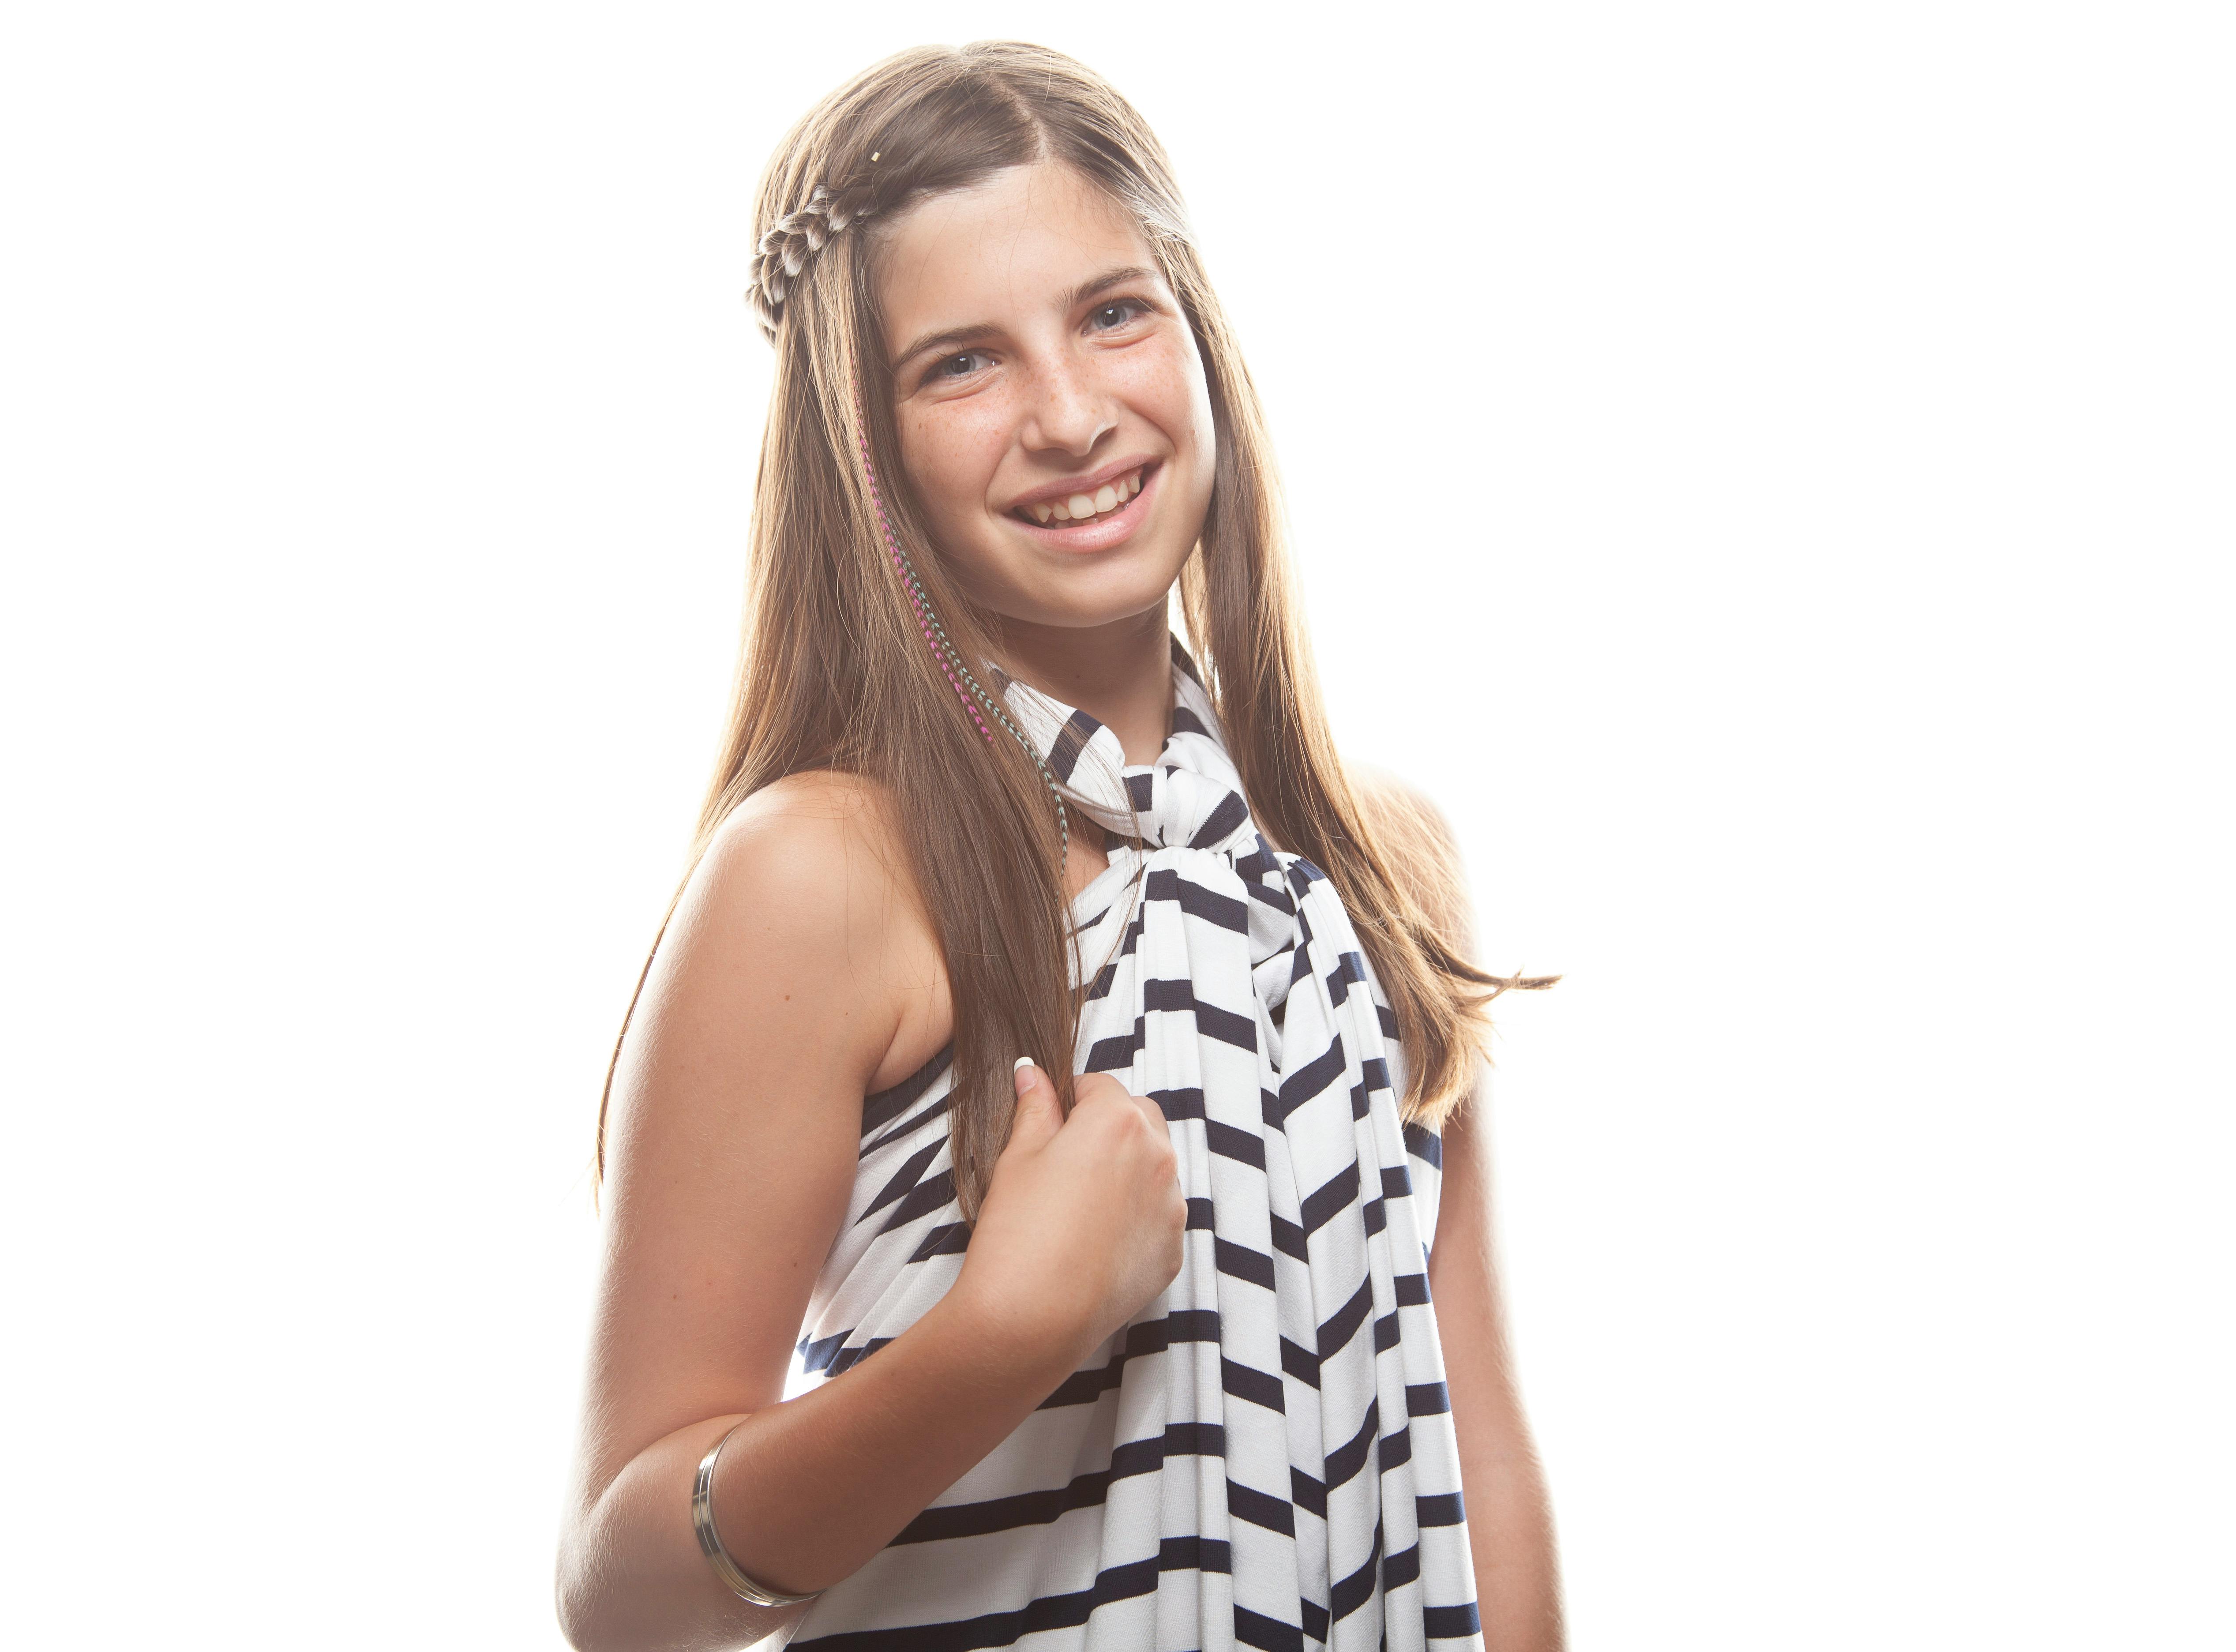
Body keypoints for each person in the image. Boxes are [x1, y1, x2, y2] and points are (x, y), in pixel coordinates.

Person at [556, 41, 1563, 1652]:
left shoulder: (1375, 863)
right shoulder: (826, 872)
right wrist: (999, 1335)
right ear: (863, 446)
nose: (1072, 415)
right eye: (961, 364)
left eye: (1112, 313)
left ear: (1196, 333)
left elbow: (1481, 1453)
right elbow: (622, 1596)